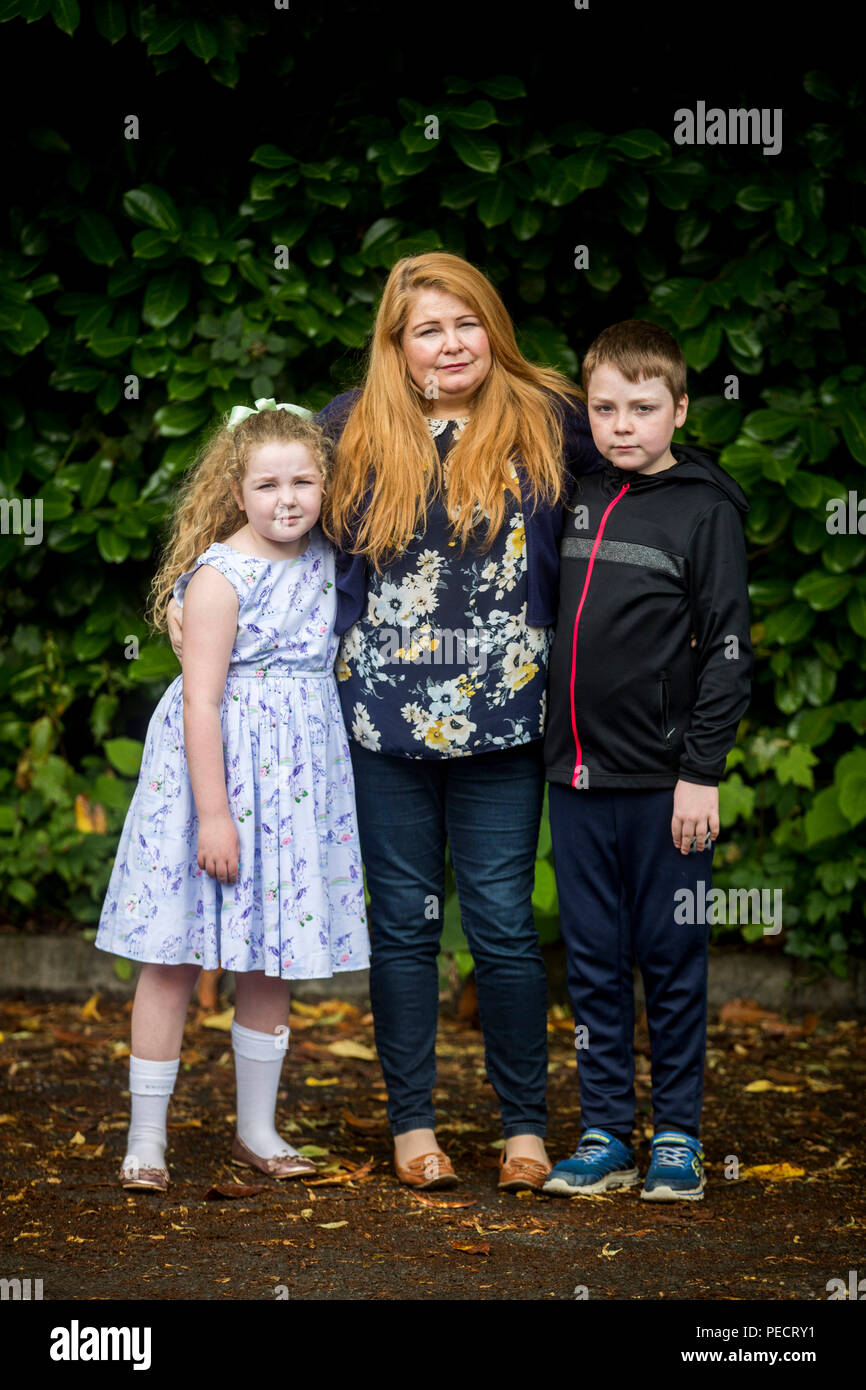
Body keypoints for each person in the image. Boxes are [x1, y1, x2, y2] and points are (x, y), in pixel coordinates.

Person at [313, 251, 604, 1191]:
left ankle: (525, 1130)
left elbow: (651, 478)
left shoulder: (551, 416)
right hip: (383, 717)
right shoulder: (349, 429)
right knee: (401, 925)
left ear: (493, 327)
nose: (450, 344)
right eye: (427, 329)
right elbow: (266, 507)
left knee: (504, 925)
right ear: (396, 348)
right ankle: (411, 1128)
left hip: (510, 716)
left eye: (465, 322)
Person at [96, 399, 369, 1193]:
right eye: (268, 484)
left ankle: (258, 1127)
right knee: (172, 956)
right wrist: (214, 815)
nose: (288, 499)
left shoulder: (331, 560)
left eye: (304, 482)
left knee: (271, 956)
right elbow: (202, 703)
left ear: (326, 486)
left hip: (293, 789)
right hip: (211, 781)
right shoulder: (220, 577)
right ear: (236, 491)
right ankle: (146, 1140)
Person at [541, 320, 752, 1201]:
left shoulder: (705, 511)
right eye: (604, 408)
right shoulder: (576, 493)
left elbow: (728, 652)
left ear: (680, 409)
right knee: (592, 960)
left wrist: (700, 773)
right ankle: (603, 1133)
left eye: (642, 407)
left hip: (667, 791)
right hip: (576, 783)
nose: (622, 424)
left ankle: (676, 1136)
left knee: (670, 961)